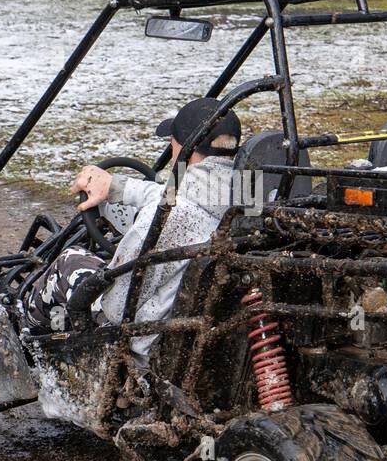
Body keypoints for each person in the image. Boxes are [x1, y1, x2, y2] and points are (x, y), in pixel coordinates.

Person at [24, 98, 242, 361]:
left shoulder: (168, 218)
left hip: (145, 343)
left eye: (172, 144)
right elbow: (177, 192)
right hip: (206, 339)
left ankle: (33, 346)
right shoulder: (249, 200)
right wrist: (116, 187)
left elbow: (116, 308)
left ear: (186, 148)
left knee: (70, 262)